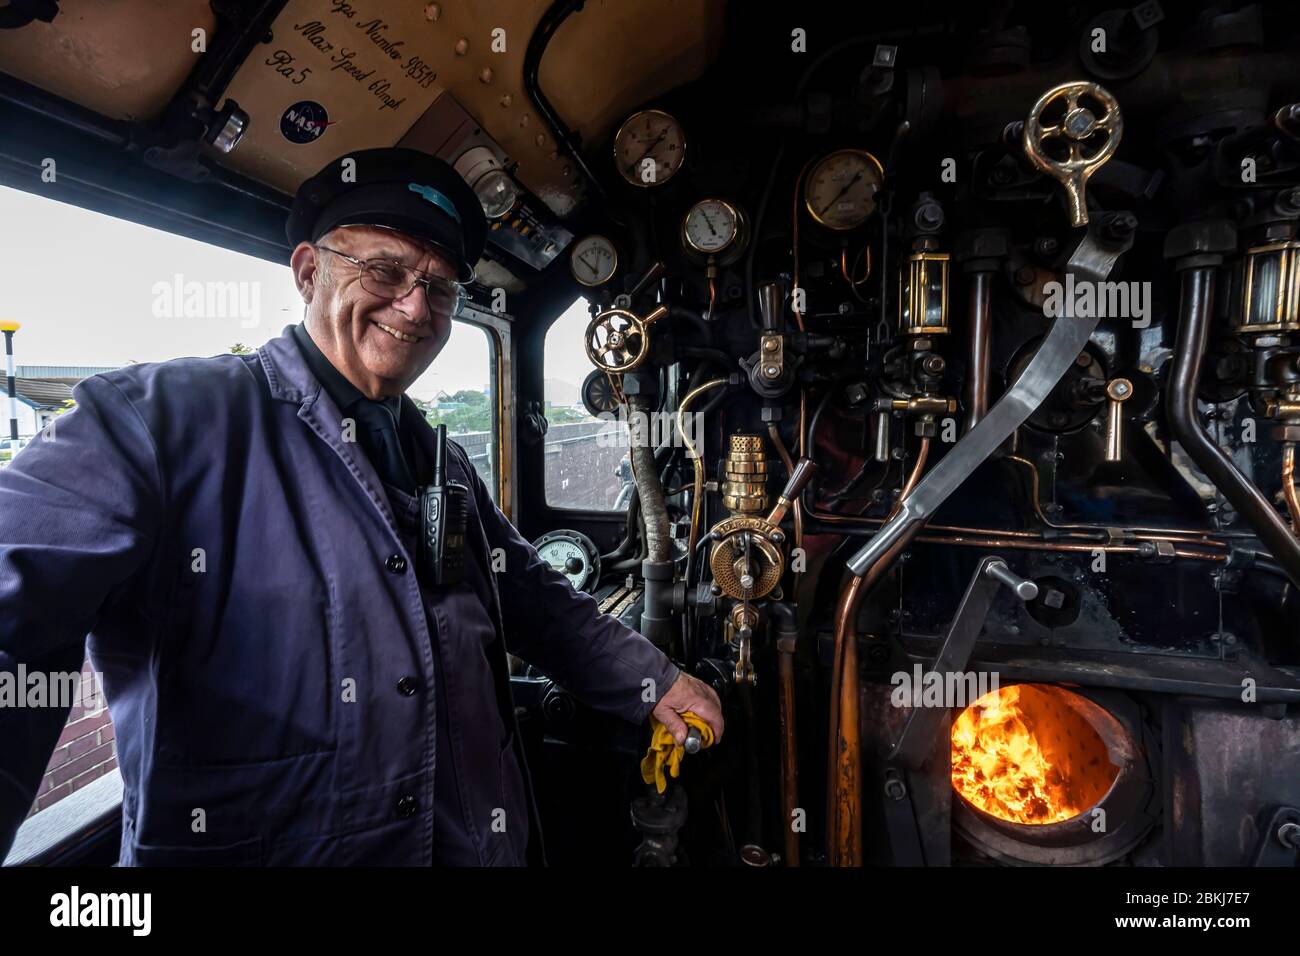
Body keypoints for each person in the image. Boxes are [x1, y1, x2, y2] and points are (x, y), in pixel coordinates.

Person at [0, 148, 723, 866]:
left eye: (441, 289)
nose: (415, 307)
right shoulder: (157, 423)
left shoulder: (441, 459)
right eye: (385, 271)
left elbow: (530, 595)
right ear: (309, 271)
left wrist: (652, 679)